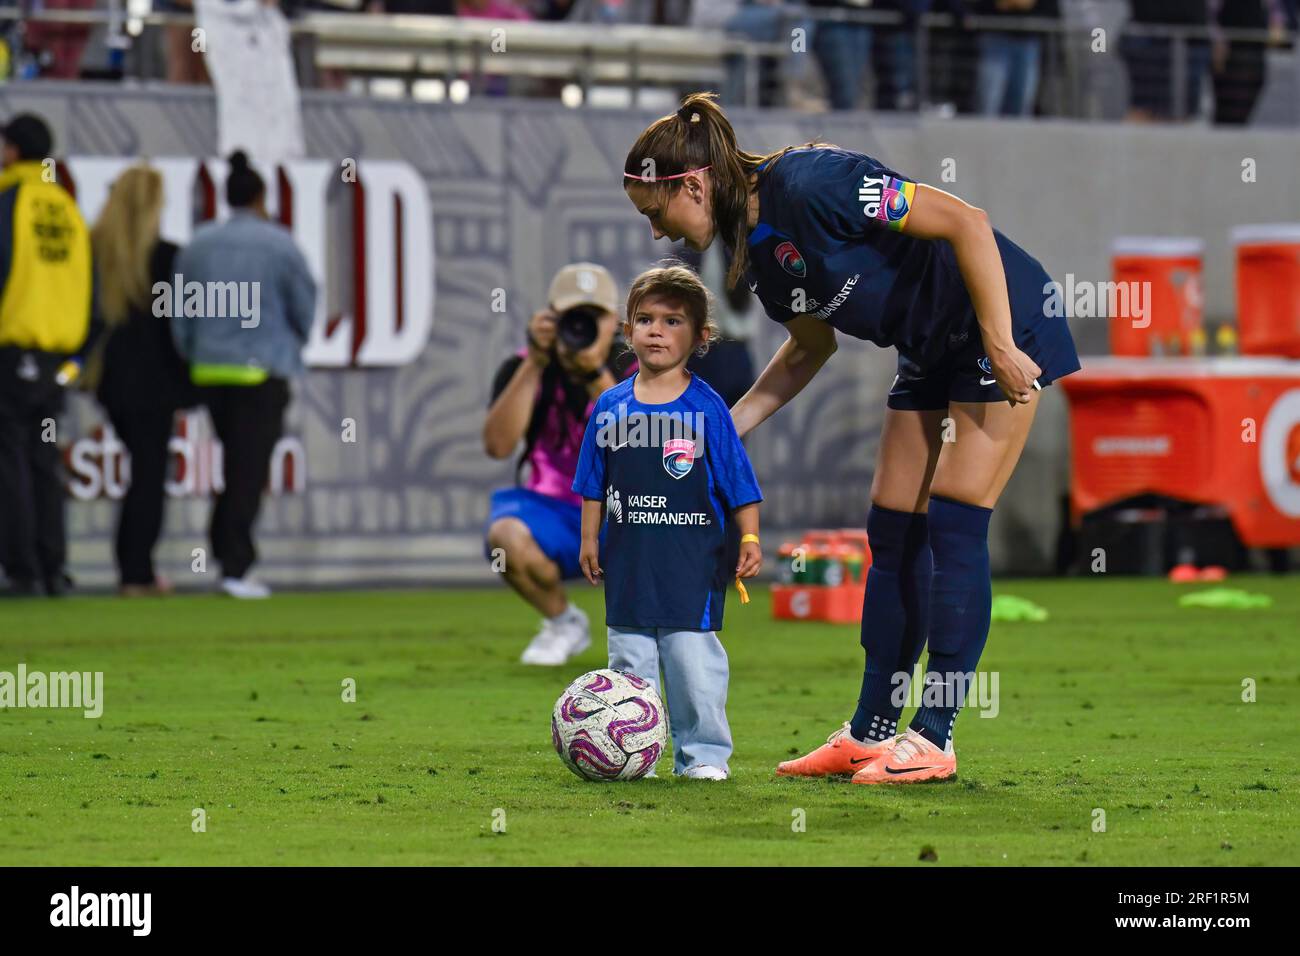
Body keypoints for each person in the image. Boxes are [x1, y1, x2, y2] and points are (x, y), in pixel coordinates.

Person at [623, 93, 1080, 784]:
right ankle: (870, 732)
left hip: (1004, 322)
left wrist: (1000, 341)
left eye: (656, 214)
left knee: (955, 523)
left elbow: (966, 222)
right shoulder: (757, 257)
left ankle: (935, 737)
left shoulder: (812, 181)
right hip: (927, 348)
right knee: (894, 530)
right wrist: (722, 430)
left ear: (692, 184)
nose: (659, 234)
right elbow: (809, 349)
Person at [572, 264, 763, 781]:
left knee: (692, 665)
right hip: (629, 565)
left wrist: (749, 536)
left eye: (673, 321)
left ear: (701, 336)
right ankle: (638, 757)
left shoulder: (709, 409)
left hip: (691, 567)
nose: (657, 330)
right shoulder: (609, 407)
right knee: (629, 669)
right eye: (645, 319)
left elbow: (739, 485)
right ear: (626, 329)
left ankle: (703, 756)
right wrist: (590, 538)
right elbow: (592, 482)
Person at [171, 150, 316, 599]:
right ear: (261, 197)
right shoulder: (279, 245)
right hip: (260, 373)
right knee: (247, 472)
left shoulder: (198, 244)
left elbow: (180, 314)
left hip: (212, 371)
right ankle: (234, 564)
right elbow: (304, 308)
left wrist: (195, 353)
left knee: (235, 467)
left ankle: (227, 557)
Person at [483, 263, 633, 666]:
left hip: (623, 509)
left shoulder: (633, 368)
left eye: (594, 317)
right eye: (571, 317)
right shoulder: (523, 366)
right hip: (550, 507)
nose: (581, 328)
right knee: (505, 536)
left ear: (615, 322)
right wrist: (534, 362)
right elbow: (497, 446)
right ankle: (564, 622)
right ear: (550, 318)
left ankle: (650, 639)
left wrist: (593, 376)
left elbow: (639, 442)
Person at [88, 165, 199, 597]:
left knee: (142, 473)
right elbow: (182, 329)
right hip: (157, 387)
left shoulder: (97, 253)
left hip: (111, 384)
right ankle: (137, 572)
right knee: (149, 477)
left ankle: (133, 568)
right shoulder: (170, 259)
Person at [0, 113, 93, 598]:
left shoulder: (10, 202)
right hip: (56, 360)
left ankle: (21, 569)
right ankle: (53, 566)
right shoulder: (66, 208)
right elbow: (90, 291)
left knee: (9, 459)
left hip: (12, 351)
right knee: (43, 460)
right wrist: (76, 356)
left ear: (13, 151)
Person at [975, 0, 1058, 117]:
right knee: (989, 101)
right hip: (996, 36)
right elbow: (981, 7)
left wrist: (1027, 6)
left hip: (1028, 40)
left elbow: (1051, 11)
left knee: (1022, 104)